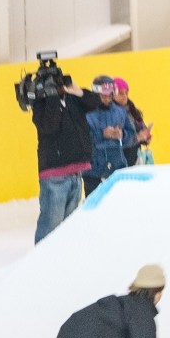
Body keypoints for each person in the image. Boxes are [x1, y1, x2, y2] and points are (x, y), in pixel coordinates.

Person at [31, 76, 101, 244]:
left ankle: (64, 260)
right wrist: (52, 97)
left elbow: (95, 103)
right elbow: (50, 125)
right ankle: (42, 262)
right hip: (55, 175)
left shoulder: (73, 100)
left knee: (70, 226)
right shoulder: (41, 105)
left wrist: (77, 91)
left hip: (76, 172)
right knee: (51, 226)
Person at [83, 76, 135, 197]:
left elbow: (131, 134)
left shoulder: (120, 111)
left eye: (110, 96)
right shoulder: (85, 113)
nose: (107, 99)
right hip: (93, 172)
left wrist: (123, 135)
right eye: (103, 96)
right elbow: (81, 140)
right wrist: (102, 134)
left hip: (117, 168)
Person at [113, 77, 154, 167]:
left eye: (126, 93)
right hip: (118, 162)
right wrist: (137, 137)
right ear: (112, 95)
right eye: (120, 93)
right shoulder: (110, 113)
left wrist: (146, 136)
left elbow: (141, 128)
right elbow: (116, 141)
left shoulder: (132, 110)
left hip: (135, 159)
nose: (125, 96)